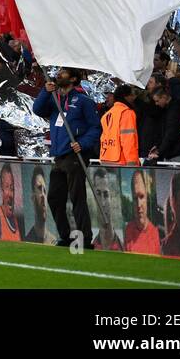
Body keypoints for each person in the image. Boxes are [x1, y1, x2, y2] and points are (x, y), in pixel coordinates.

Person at [31, 67, 100, 249]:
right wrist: (45, 91)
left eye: (63, 72)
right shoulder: (56, 99)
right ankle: (66, 235)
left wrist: (83, 144)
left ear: (74, 78)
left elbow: (95, 128)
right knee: (54, 198)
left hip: (75, 154)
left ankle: (85, 239)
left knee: (77, 197)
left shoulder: (84, 101)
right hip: (59, 156)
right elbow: (37, 109)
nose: (59, 74)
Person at [122, 169, 162, 255]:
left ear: (147, 198)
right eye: (135, 198)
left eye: (141, 197)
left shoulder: (155, 234)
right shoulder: (128, 230)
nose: (139, 204)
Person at [99, 84, 139, 165]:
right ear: (125, 97)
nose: (133, 98)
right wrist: (133, 164)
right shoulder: (126, 113)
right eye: (131, 95)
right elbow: (129, 140)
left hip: (105, 159)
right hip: (121, 162)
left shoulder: (107, 114)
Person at [90, 168, 123, 251]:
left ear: (113, 197)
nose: (103, 203)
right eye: (98, 194)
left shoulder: (124, 247)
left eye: (106, 194)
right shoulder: (92, 246)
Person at [24, 165, 54, 244]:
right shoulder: (27, 242)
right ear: (33, 197)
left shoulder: (54, 241)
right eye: (40, 189)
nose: (43, 196)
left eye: (45, 191)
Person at [0, 164, 22, 241]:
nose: (10, 194)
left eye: (12, 188)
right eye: (7, 187)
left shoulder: (16, 220)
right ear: (1, 190)